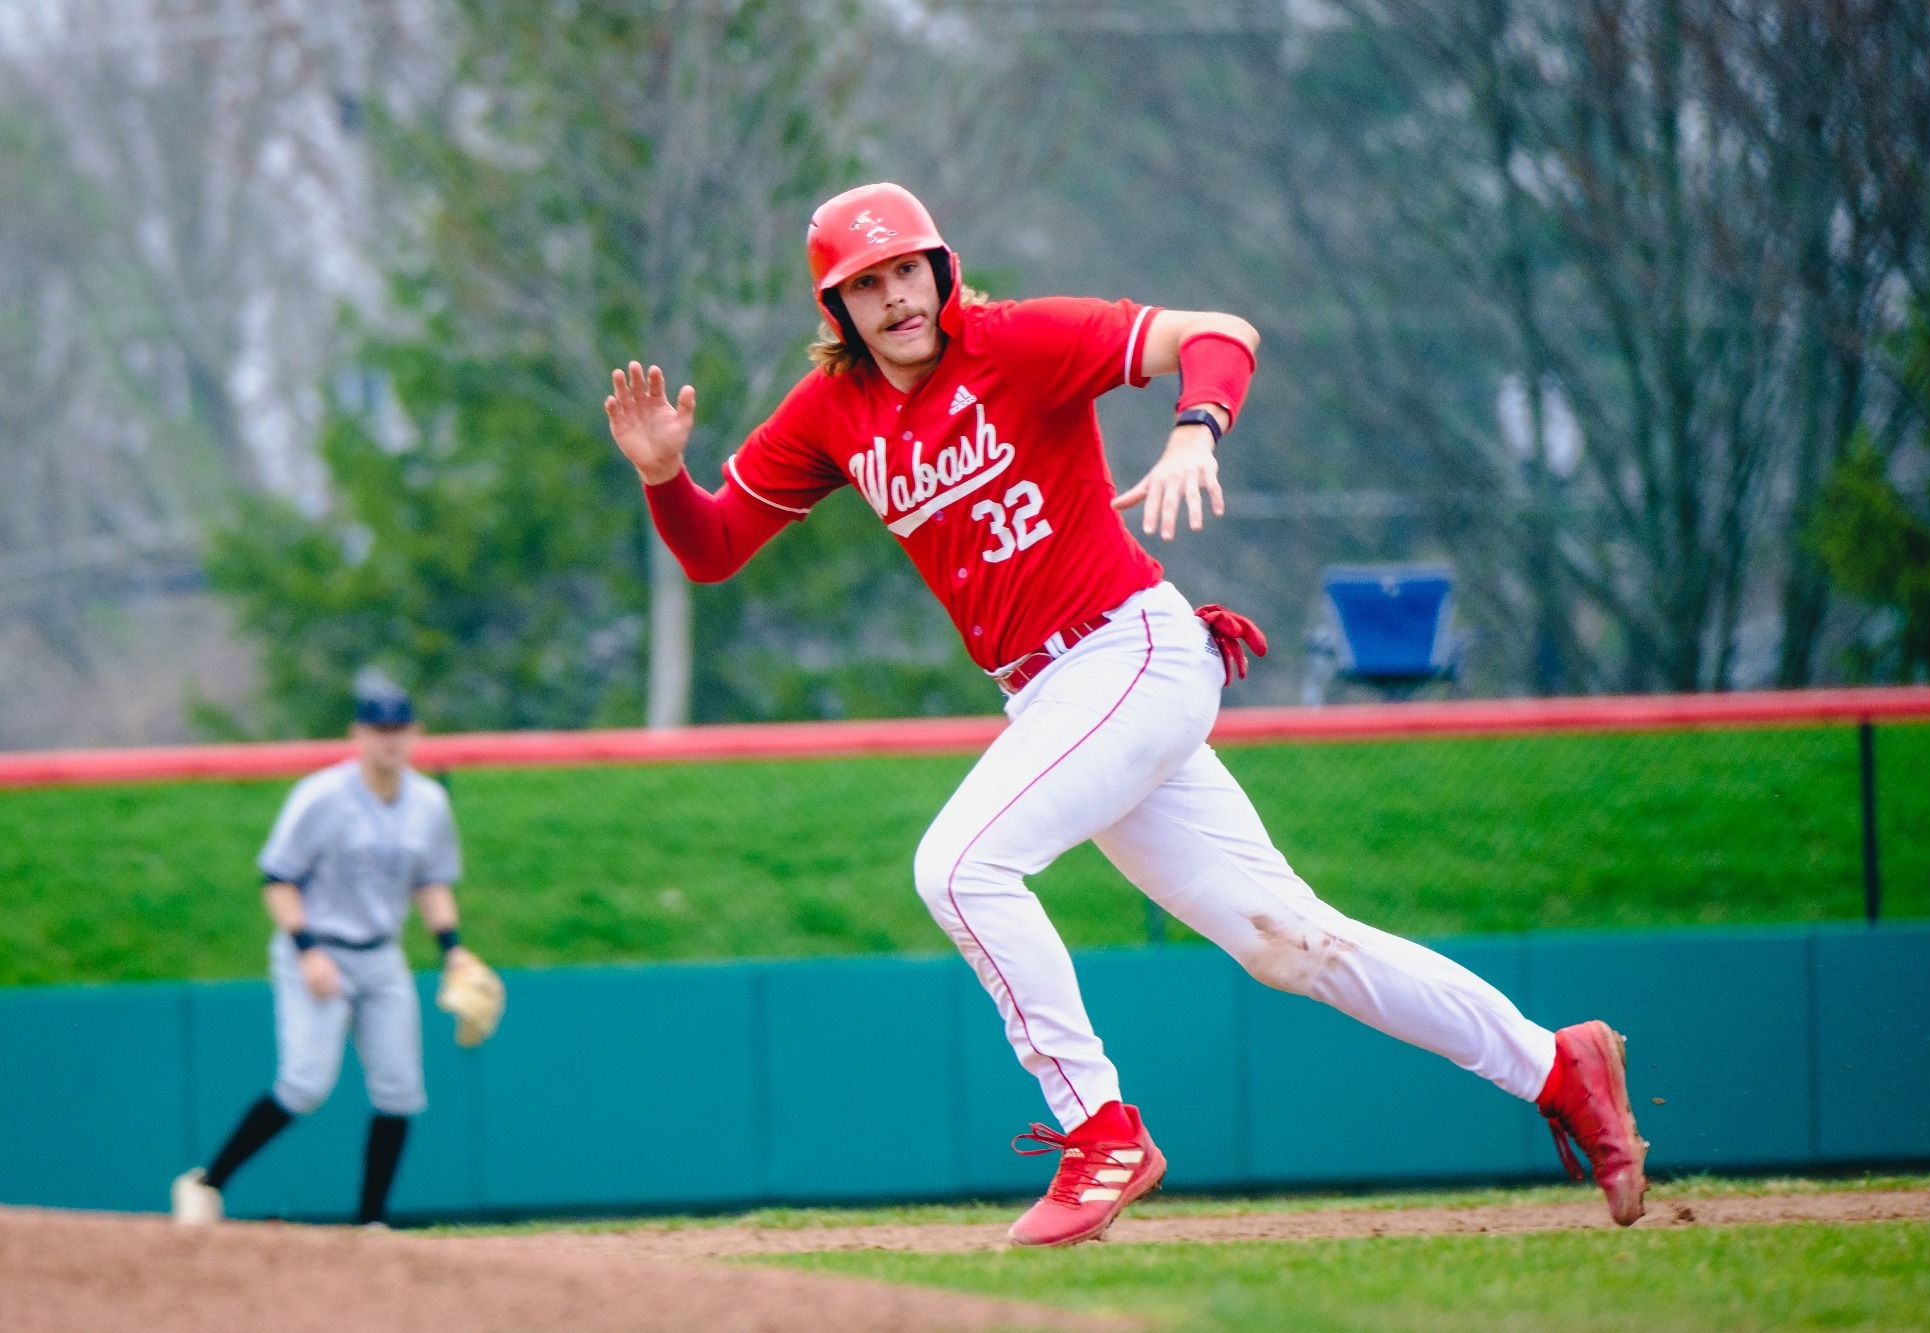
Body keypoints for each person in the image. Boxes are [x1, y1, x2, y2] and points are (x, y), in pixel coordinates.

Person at [603, 182, 1648, 1247]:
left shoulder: (1016, 344)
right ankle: (1553, 1064)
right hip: (1054, 694)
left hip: (1129, 650)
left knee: (957, 867)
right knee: (1290, 945)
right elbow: (713, 547)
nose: (892, 296)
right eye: (862, 284)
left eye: (905, 268)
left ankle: (1099, 1128)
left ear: (941, 269)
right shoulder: (834, 412)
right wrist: (664, 476)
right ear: (837, 309)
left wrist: (1196, 431)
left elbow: (1218, 336)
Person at [170, 683, 495, 1228]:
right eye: (379, 730)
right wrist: (306, 950)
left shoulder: (429, 803)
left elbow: (432, 883)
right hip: (318, 949)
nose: (390, 741)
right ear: (358, 736)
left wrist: (454, 951)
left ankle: (370, 1223)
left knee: (400, 1089)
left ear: (416, 734)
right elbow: (277, 879)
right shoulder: (322, 796)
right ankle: (207, 1185)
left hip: (382, 955)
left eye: (399, 730)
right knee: (305, 1083)